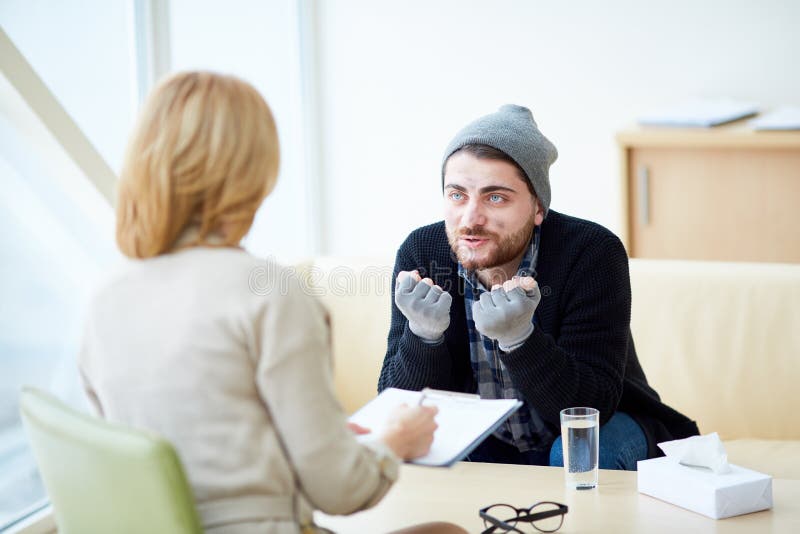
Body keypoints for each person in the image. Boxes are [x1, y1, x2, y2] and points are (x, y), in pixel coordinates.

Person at [78, 71, 466, 534]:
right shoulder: (269, 293)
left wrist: (314, 441)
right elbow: (341, 491)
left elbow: (179, 447)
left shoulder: (103, 297)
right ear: (255, 171)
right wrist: (396, 443)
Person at [378, 104, 699, 469]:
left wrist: (521, 340)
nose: (470, 218)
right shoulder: (422, 252)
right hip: (488, 438)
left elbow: (592, 406)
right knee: (425, 450)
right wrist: (423, 337)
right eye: (457, 195)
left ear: (537, 208)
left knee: (577, 450)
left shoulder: (591, 253)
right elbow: (397, 409)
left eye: (495, 197)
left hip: (602, 424)